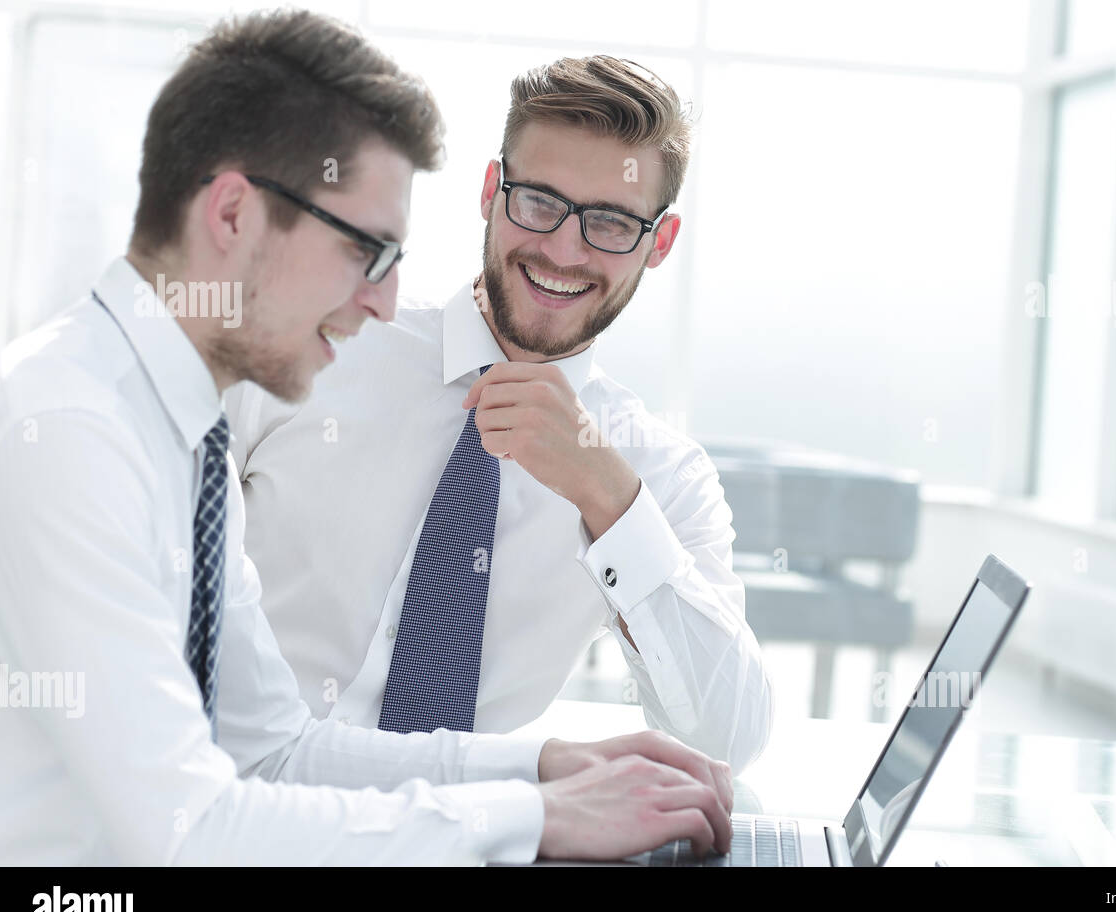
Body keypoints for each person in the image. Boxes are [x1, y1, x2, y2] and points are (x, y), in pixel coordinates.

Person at [0, 9, 732, 865]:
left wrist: (545, 767)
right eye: (365, 250)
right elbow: (189, 831)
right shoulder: (74, 432)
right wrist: (537, 819)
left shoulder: (178, 432)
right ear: (234, 215)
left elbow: (274, 752)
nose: (383, 302)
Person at [227, 54, 774, 771]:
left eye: (610, 222)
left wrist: (609, 498)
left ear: (659, 243)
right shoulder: (317, 338)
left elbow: (729, 735)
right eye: (539, 202)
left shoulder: (658, 476)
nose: (563, 248)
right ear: (491, 191)